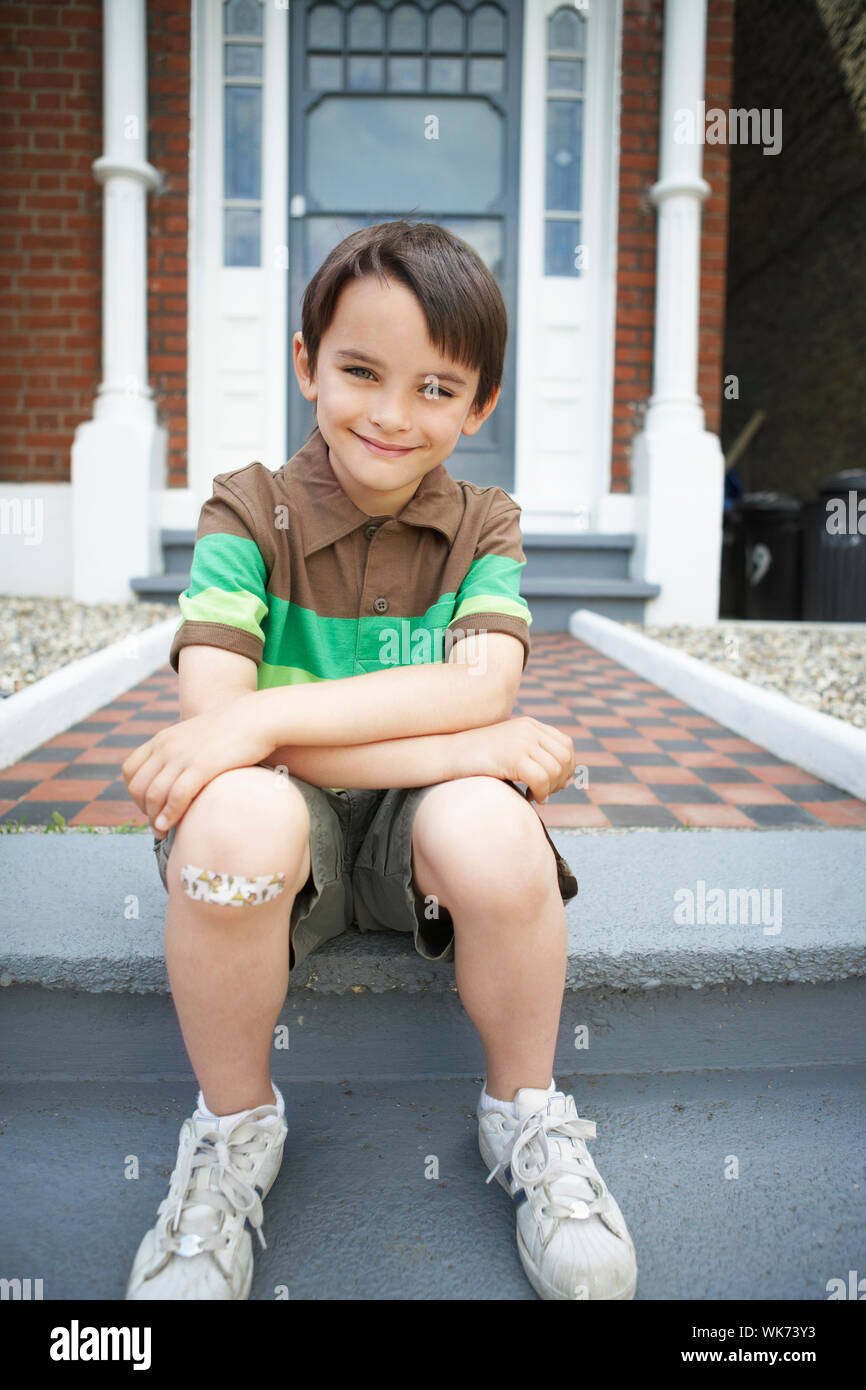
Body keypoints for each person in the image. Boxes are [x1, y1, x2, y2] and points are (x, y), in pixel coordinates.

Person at [121, 220, 638, 1301]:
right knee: (230, 823)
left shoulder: (484, 525)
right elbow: (218, 730)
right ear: (305, 361)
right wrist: (461, 740)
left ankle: (524, 1113)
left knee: (494, 830)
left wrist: (268, 718)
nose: (392, 416)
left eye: (436, 388)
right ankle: (232, 1131)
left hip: (421, 828)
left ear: (479, 404)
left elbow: (475, 686)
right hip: (281, 821)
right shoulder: (242, 509)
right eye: (360, 370)